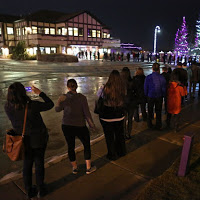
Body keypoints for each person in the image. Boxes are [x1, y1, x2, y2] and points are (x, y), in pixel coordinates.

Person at [4, 82, 54, 199]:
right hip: (38, 139)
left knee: (27, 164)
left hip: (22, 140)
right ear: (23, 93)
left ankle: (29, 190)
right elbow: (50, 104)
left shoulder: (7, 106)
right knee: (39, 164)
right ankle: (41, 189)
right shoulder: (32, 105)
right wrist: (40, 93)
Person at [55, 79, 96, 175]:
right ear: (76, 86)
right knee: (86, 145)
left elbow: (57, 109)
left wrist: (58, 101)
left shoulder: (64, 98)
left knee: (70, 146)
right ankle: (88, 168)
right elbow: (87, 114)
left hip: (66, 126)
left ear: (68, 87)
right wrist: (92, 125)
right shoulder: (82, 98)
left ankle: (75, 168)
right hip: (80, 125)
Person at [98, 70, 126, 160]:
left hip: (107, 116)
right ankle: (121, 152)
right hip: (119, 115)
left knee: (109, 137)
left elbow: (98, 96)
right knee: (119, 135)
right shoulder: (122, 88)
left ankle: (112, 154)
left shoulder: (104, 87)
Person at [144, 63, 166, 130]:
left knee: (150, 110)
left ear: (152, 69)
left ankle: (149, 124)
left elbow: (145, 87)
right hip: (159, 96)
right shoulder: (162, 78)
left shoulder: (148, 77)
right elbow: (164, 89)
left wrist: (146, 95)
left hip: (150, 95)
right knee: (158, 111)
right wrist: (163, 96)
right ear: (158, 69)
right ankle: (158, 124)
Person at [121, 67, 136, 139]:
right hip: (131, 102)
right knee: (130, 119)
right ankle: (128, 133)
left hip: (123, 103)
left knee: (123, 119)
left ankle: (123, 133)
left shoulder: (120, 82)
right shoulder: (132, 81)